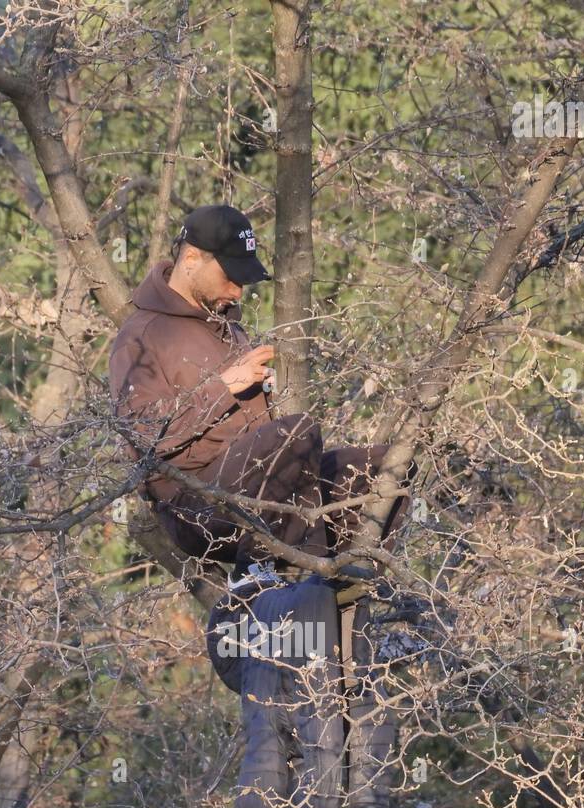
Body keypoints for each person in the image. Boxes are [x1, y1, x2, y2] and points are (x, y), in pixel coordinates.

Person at [107, 203, 407, 582]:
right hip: (192, 504)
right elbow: (142, 435)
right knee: (298, 432)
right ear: (192, 259)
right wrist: (225, 387)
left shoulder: (229, 329)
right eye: (231, 276)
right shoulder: (141, 334)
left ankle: (348, 589)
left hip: (257, 495)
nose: (238, 289)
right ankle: (279, 585)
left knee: (388, 465)